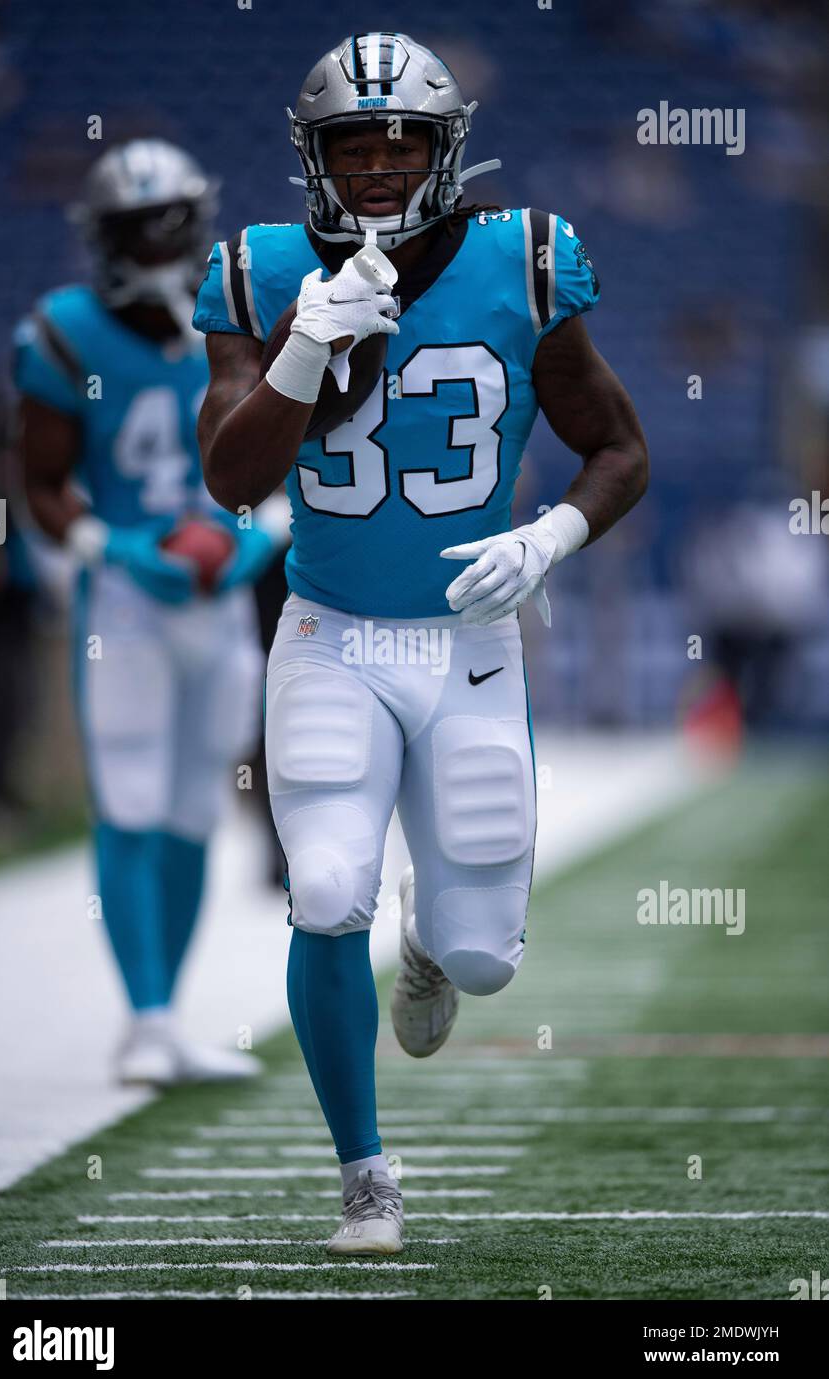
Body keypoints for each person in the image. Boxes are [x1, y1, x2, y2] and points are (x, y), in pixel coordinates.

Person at [194, 34, 648, 1251]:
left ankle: (430, 947)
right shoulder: (257, 271)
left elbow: (618, 448)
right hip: (331, 634)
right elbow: (231, 480)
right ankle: (364, 1175)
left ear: (447, 148)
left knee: (481, 957)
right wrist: (307, 342)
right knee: (325, 885)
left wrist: (549, 535)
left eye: (404, 139)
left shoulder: (526, 259)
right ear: (315, 153)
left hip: (472, 643)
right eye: (355, 140)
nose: (381, 163)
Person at [16, 139, 289, 1084]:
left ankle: (165, 1020)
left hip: (217, 603)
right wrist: (118, 546)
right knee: (131, 800)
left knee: (193, 810)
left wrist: (257, 535)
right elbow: (43, 484)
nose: (159, 245)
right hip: (126, 602)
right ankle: (143, 1018)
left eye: (169, 223)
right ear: (103, 237)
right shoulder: (63, 331)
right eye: (139, 228)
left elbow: (307, 461)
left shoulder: (245, 316)